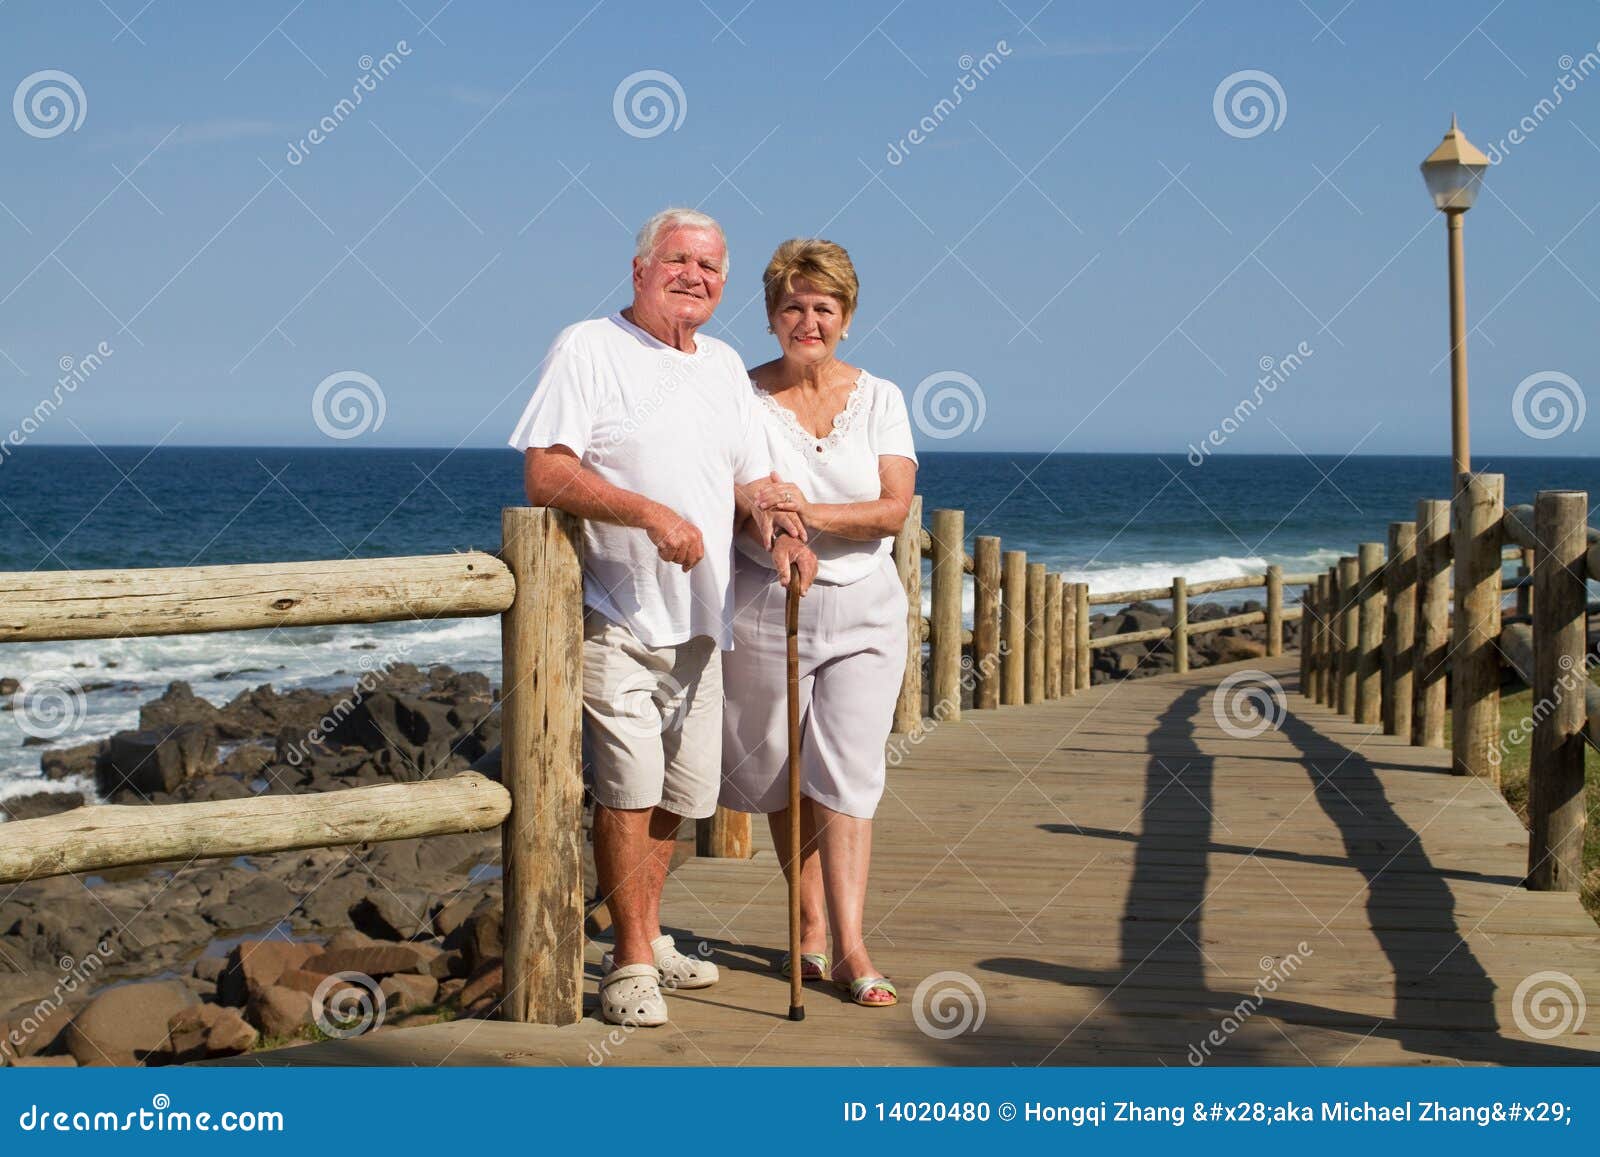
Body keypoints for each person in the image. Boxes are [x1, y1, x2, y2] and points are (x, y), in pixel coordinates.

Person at [509, 208, 817, 1027]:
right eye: (678, 260)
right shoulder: (590, 346)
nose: (695, 276)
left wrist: (782, 528)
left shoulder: (720, 366)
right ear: (640, 268)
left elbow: (751, 481)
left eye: (711, 267)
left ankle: (642, 930)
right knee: (626, 788)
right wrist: (647, 513)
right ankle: (632, 962)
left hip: (703, 618)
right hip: (620, 612)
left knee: (681, 794)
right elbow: (546, 472)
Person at [722, 238, 917, 1008]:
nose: (809, 319)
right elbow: (735, 490)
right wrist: (773, 532)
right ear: (772, 315)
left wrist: (807, 512)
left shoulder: (882, 397)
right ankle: (804, 923)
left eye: (824, 307)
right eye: (794, 306)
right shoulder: (738, 395)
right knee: (779, 767)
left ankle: (851, 945)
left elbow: (892, 509)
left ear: (847, 316)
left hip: (867, 603)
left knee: (847, 773)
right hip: (770, 601)